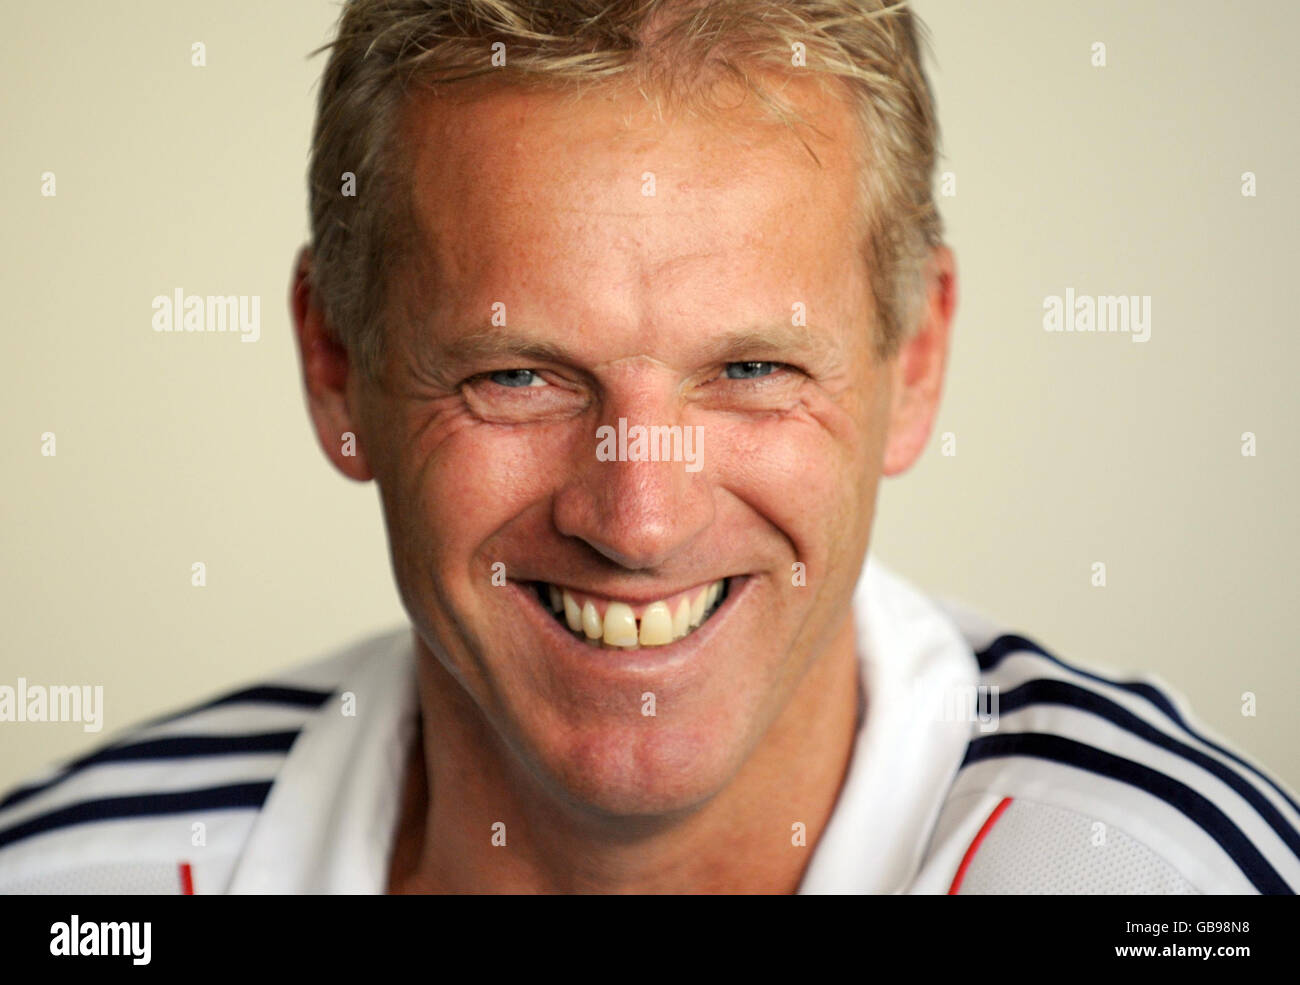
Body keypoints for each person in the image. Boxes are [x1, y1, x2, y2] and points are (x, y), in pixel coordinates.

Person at [2, 0, 1296, 894]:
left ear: (918, 361)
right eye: (518, 374)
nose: (639, 519)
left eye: (749, 370)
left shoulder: (1176, 885)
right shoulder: (67, 890)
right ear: (336, 366)